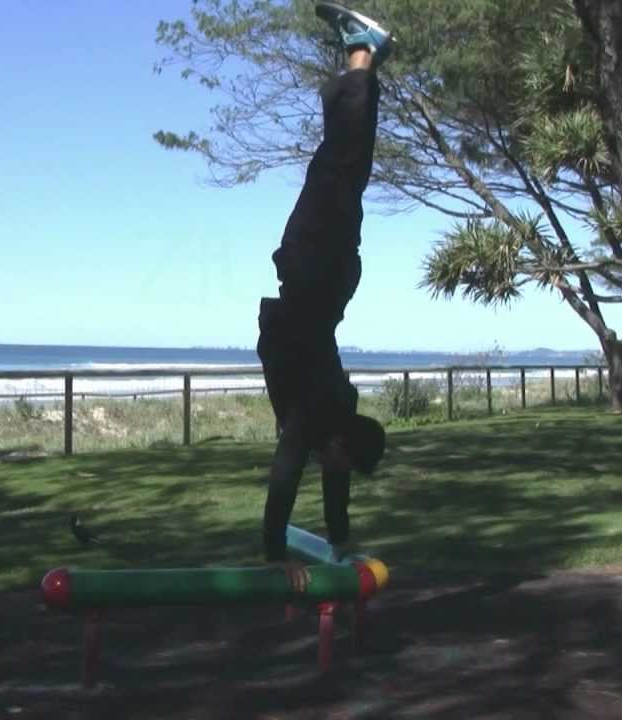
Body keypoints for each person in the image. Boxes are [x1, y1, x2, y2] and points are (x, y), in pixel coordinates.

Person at [256, 3, 393, 592]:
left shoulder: (330, 423)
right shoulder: (321, 413)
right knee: (338, 165)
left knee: (344, 166)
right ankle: (361, 57)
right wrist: (273, 554)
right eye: (340, 465)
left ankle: (360, 62)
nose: (333, 475)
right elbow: (285, 477)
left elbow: (328, 487)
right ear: (341, 444)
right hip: (316, 267)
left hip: (324, 273)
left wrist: (340, 545)